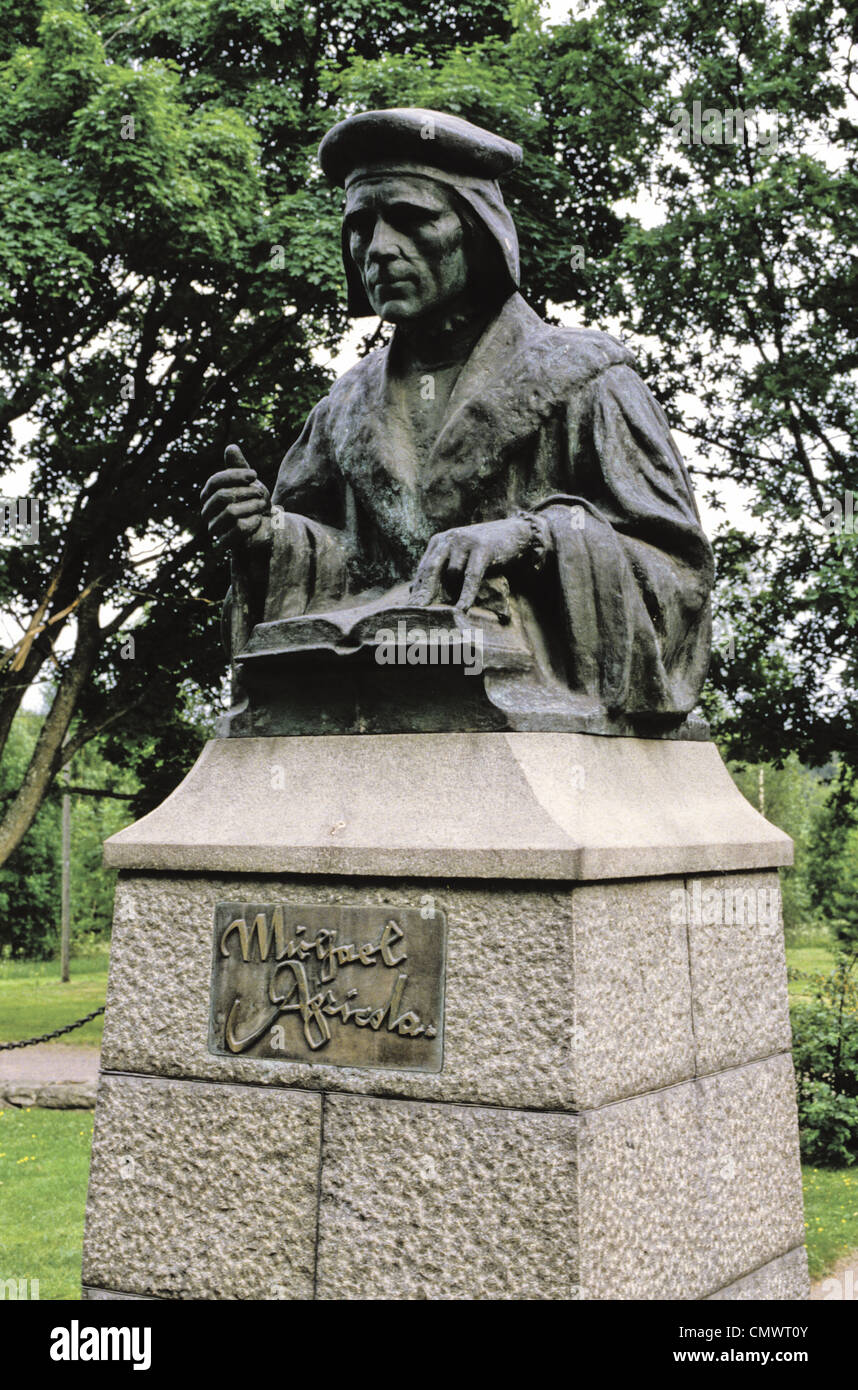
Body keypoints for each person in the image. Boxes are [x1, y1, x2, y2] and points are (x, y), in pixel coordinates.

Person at [201, 108, 713, 733]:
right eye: (361, 226)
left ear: (476, 231)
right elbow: (359, 567)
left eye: (412, 219)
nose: (381, 248)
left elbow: (679, 577)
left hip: (517, 702)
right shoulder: (341, 411)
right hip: (374, 692)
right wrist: (270, 539)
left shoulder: (586, 380)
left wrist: (530, 540)